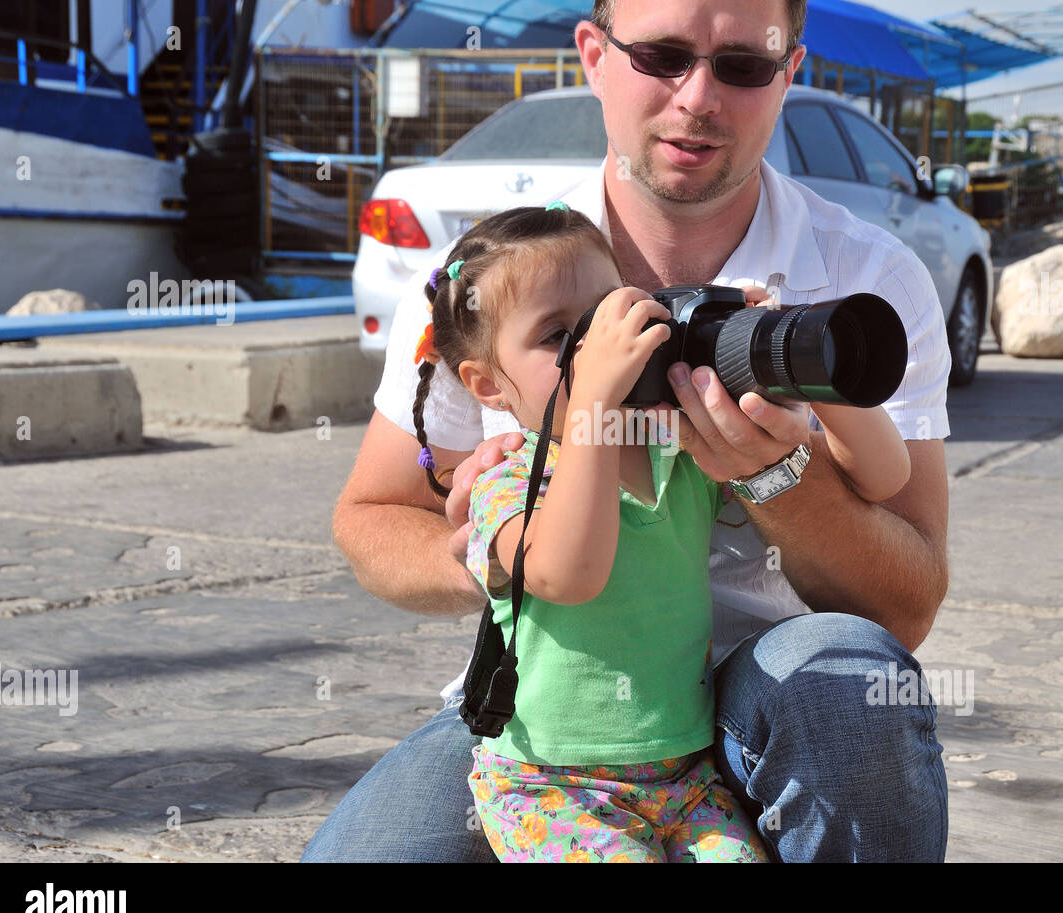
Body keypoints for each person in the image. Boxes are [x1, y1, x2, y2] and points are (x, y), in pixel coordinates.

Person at [303, 0, 951, 863]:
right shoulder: (504, 282)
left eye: (742, 66)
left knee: (847, 679)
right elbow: (372, 516)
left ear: (790, 72)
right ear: (593, 56)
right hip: (554, 707)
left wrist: (784, 475)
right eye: (662, 55)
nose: (698, 97)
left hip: (779, 683)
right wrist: (498, 552)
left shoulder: (867, 280)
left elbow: (906, 605)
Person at [410, 203, 910, 862]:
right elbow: (567, 571)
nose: (599, 352)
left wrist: (785, 362)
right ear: (486, 384)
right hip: (554, 788)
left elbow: (884, 475)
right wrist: (590, 400)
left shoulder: (676, 452)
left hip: (686, 782)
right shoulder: (510, 478)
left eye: (608, 318)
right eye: (561, 337)